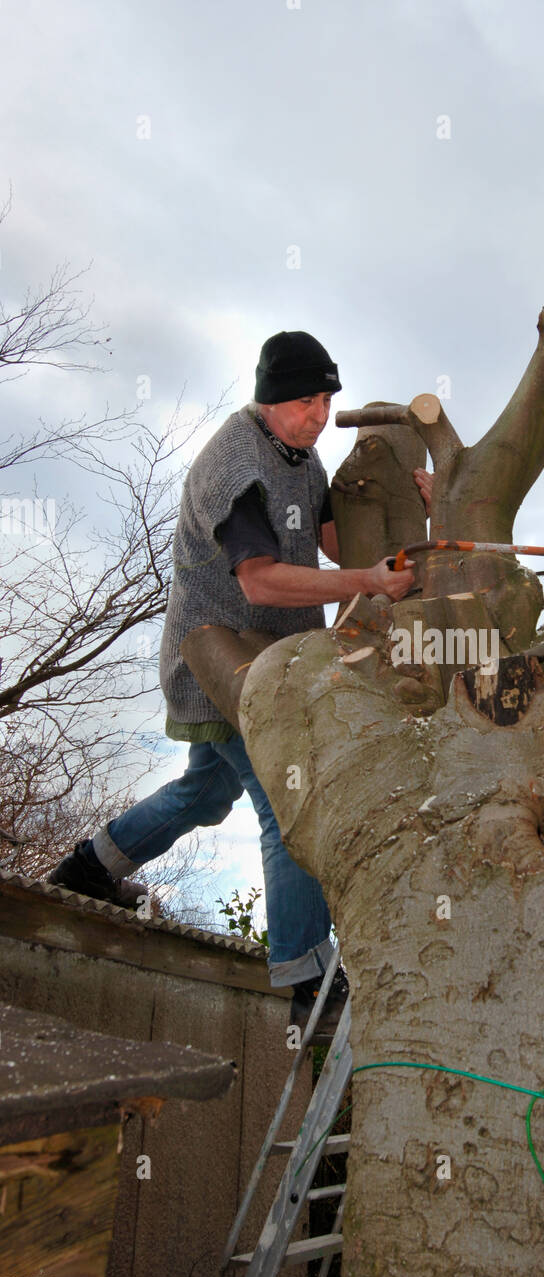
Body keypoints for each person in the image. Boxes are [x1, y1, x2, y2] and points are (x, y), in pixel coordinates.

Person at [48, 330, 425, 1033]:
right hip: (218, 664)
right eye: (307, 400)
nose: (319, 414)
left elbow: (341, 546)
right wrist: (365, 584)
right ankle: (304, 974)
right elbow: (260, 578)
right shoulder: (236, 466)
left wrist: (414, 509)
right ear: (271, 397)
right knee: (289, 803)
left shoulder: (301, 460)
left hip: (274, 662)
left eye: (326, 400)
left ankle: (90, 867)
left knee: (206, 790)